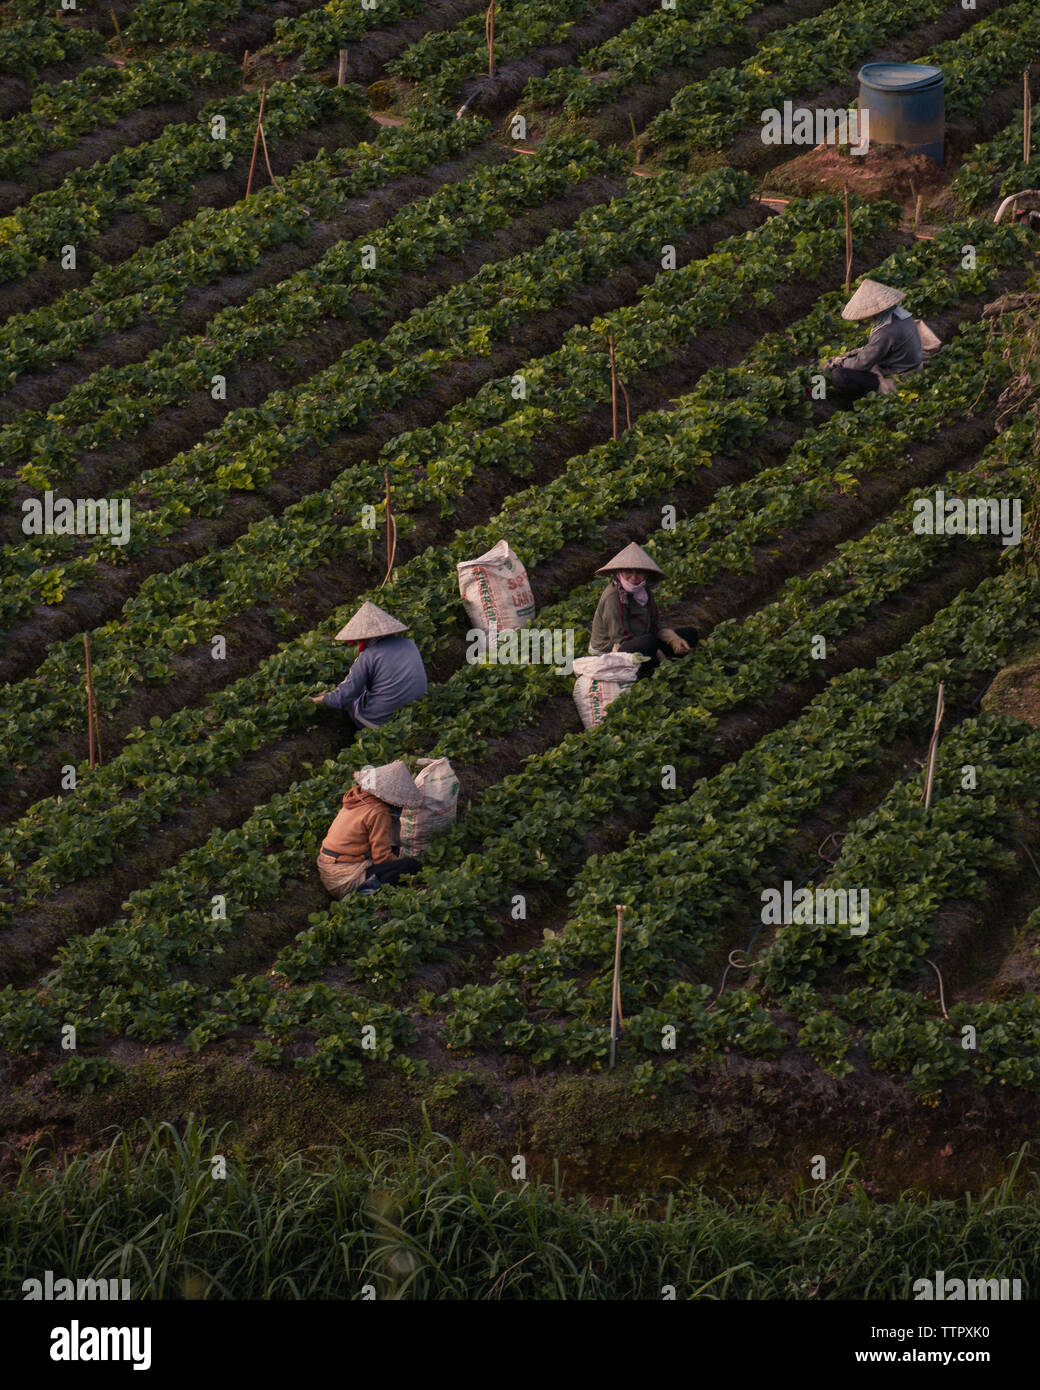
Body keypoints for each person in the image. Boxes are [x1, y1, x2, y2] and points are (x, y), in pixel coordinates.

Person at [310, 601, 427, 730]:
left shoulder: (367, 657)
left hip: (380, 721)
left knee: (353, 703)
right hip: (415, 710)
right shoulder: (409, 643)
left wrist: (320, 699)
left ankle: (359, 734)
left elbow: (342, 698)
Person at [588, 541, 698, 677]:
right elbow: (621, 638)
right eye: (628, 571)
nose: (634, 577)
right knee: (648, 643)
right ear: (620, 571)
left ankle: (658, 666)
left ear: (646, 574)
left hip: (640, 640)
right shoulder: (613, 596)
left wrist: (673, 639)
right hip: (612, 650)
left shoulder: (643, 590)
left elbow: (654, 623)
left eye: (639, 572)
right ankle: (651, 672)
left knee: (690, 634)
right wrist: (656, 650)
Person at [316, 760, 424, 899]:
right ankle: (364, 892)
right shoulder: (379, 812)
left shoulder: (357, 798)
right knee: (410, 866)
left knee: (395, 852)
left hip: (328, 866)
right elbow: (382, 858)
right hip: (344, 879)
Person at [821, 279, 923, 402]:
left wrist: (839, 362)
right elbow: (871, 350)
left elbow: (862, 363)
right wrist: (848, 355)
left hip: (901, 375)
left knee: (840, 375)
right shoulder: (899, 313)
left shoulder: (885, 331)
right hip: (912, 364)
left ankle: (858, 404)